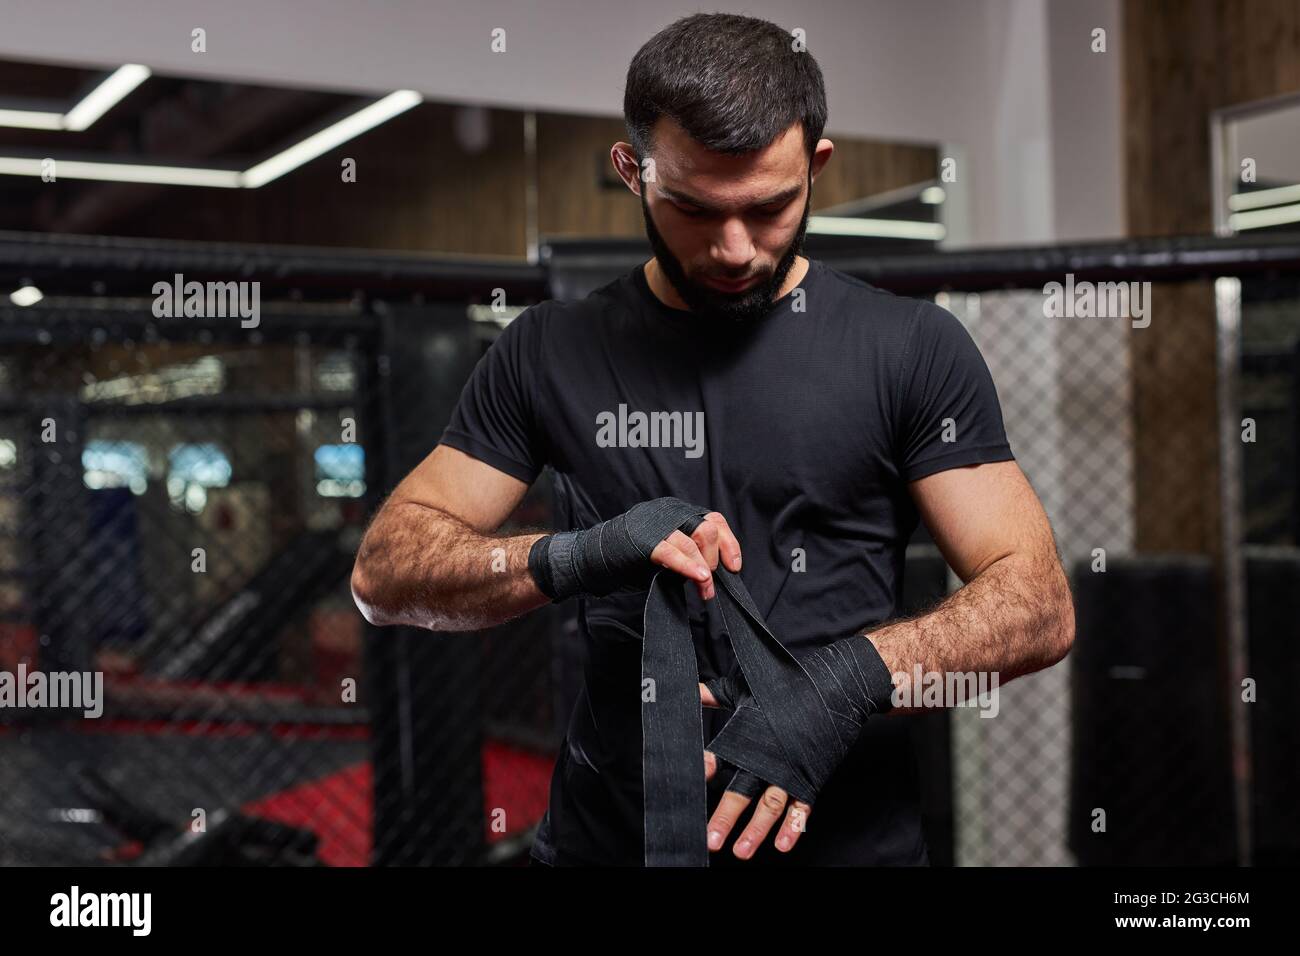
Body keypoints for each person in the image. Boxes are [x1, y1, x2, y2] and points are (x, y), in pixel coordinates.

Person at [350, 12, 1074, 867]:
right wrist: (575, 555)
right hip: (605, 843)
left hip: (847, 846)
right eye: (692, 207)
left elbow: (1037, 602)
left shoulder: (908, 348)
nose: (735, 248)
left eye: (770, 207)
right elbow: (384, 573)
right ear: (632, 171)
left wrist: (840, 686)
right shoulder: (550, 350)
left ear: (818, 165)